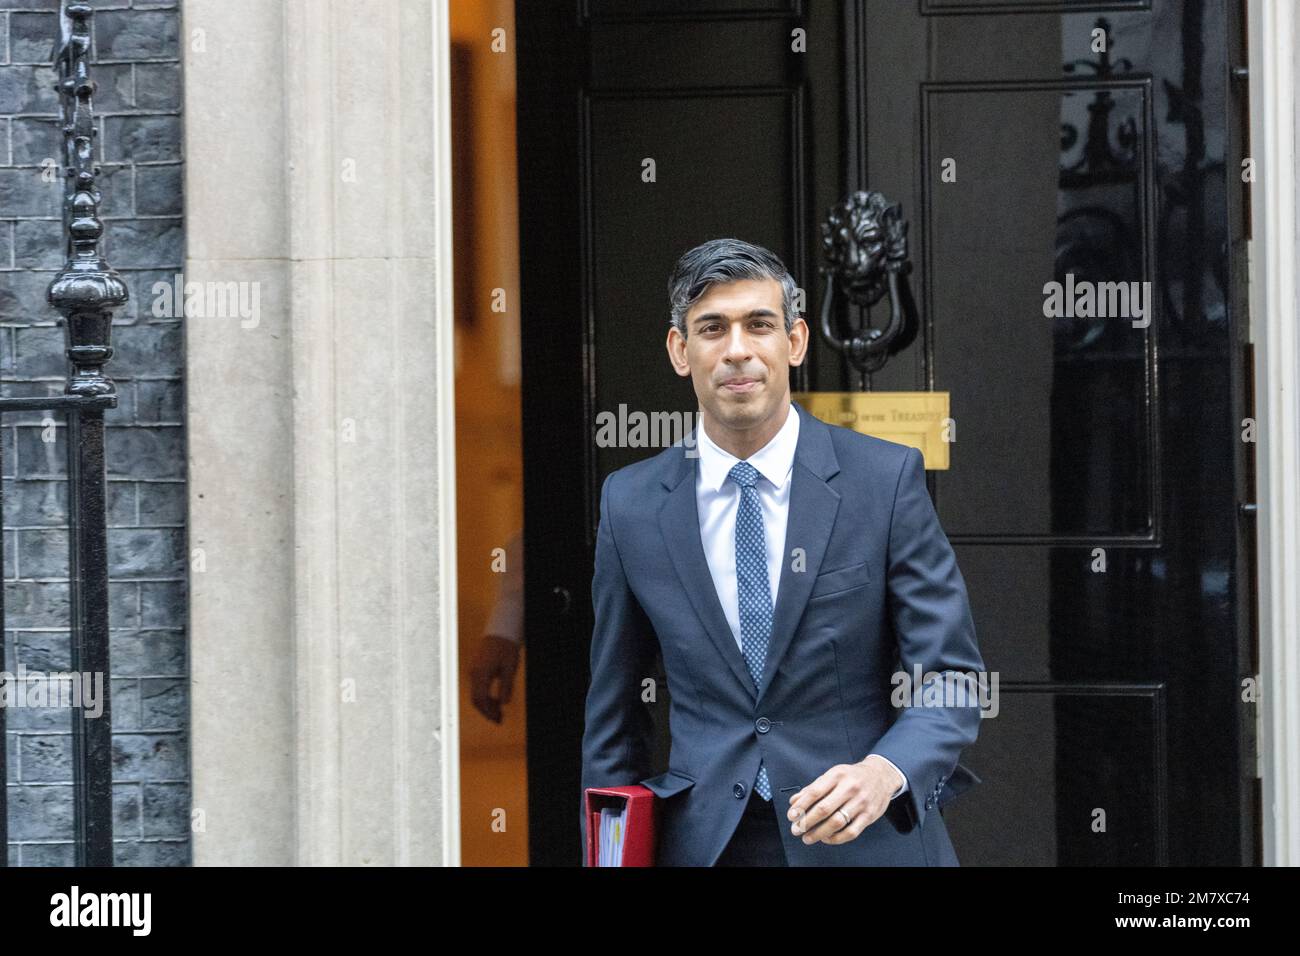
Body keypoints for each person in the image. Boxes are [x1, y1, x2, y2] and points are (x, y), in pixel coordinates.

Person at [579, 238, 985, 866]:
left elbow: (953, 679)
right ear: (680, 352)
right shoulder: (630, 505)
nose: (737, 348)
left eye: (758, 324)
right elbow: (613, 719)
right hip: (708, 847)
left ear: (794, 341)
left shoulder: (884, 481)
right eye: (712, 328)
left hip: (868, 845)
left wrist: (884, 772)